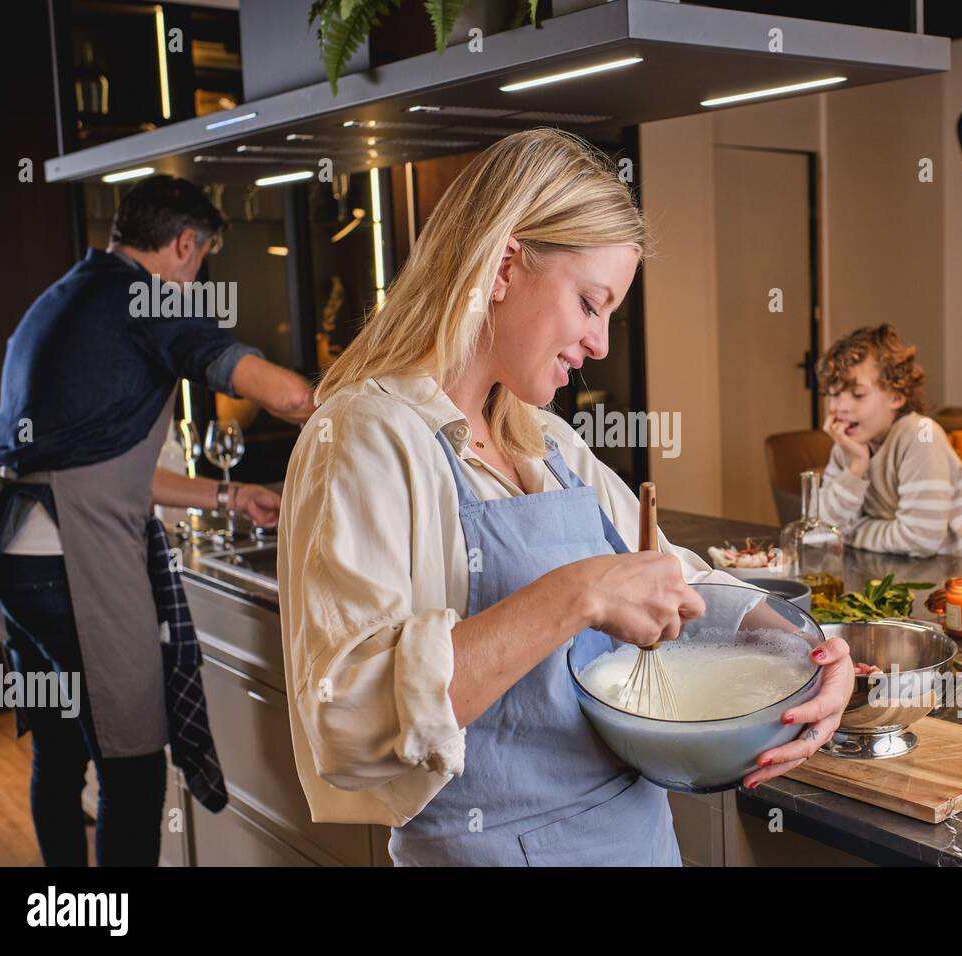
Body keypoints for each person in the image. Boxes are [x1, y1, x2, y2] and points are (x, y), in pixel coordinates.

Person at [277, 129, 854, 866]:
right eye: (591, 303)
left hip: (634, 839)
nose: (601, 343)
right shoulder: (364, 435)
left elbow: (670, 572)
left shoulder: (544, 442)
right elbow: (348, 718)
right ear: (505, 265)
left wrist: (809, 653)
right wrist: (573, 595)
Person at [0, 175, 315, 866]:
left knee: (61, 747)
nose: (197, 277)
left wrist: (229, 496)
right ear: (185, 244)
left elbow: (96, 472)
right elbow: (288, 395)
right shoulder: (151, 299)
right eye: (202, 260)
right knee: (132, 766)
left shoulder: (62, 296)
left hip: (11, 557)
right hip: (74, 565)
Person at [816, 325, 962, 561]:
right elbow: (821, 529)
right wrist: (856, 467)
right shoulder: (847, 447)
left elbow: (920, 540)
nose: (841, 407)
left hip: (956, 583)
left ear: (896, 397)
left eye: (858, 395)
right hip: (893, 574)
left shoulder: (921, 437)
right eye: (835, 394)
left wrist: (850, 533)